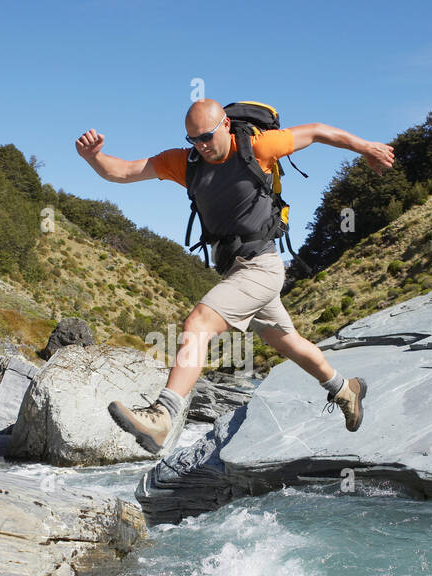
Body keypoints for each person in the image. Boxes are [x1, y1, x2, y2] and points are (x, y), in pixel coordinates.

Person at [74, 98, 395, 454]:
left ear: (225, 125)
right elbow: (124, 171)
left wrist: (367, 148)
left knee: (197, 323)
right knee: (287, 342)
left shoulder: (258, 147)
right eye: (193, 138)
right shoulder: (185, 162)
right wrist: (94, 157)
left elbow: (318, 132)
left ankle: (163, 416)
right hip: (235, 270)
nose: (201, 145)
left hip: (262, 266)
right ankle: (344, 389)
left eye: (207, 137)